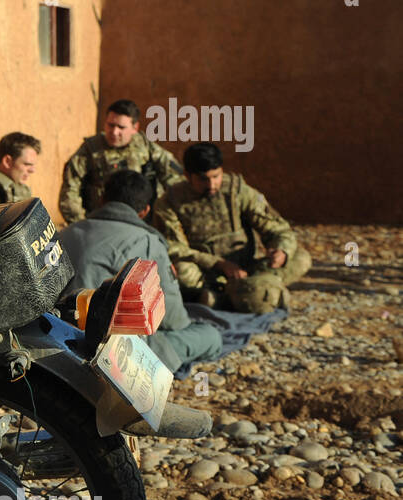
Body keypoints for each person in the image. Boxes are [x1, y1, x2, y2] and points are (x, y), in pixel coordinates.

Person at [58, 170, 223, 374]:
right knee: (211, 336)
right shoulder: (147, 242)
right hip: (113, 351)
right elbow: (173, 319)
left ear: (102, 199)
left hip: (56, 337)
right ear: (145, 211)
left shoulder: (65, 232)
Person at [153, 142, 311, 314]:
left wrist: (281, 251)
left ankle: (230, 297)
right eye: (204, 179)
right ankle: (252, 293)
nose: (212, 185)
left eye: (216, 176)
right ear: (187, 176)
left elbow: (278, 228)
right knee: (181, 270)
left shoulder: (237, 192)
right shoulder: (170, 202)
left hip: (245, 270)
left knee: (301, 257)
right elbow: (173, 248)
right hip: (204, 274)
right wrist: (218, 264)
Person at [59, 99, 183, 223]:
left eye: (121, 127)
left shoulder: (146, 147)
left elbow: (175, 181)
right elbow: (70, 191)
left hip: (142, 222)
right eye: (110, 125)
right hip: (101, 222)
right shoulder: (90, 149)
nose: (114, 132)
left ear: (135, 128)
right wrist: (83, 224)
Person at [0, 132, 40, 204]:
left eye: (32, 165)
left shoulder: (20, 191)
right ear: (7, 161)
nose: (32, 170)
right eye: (26, 164)